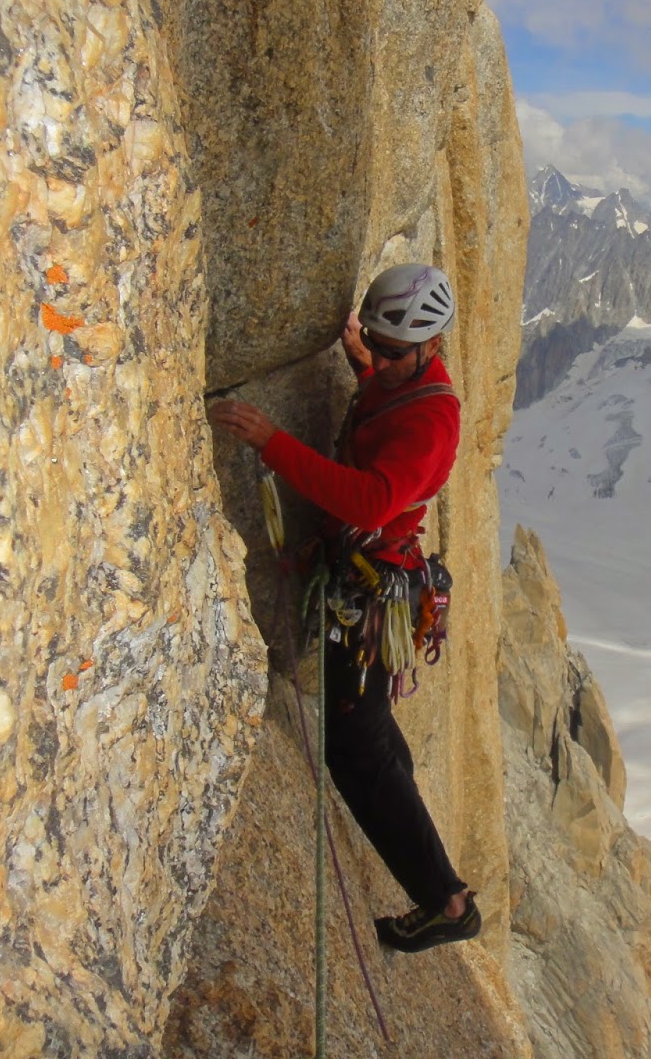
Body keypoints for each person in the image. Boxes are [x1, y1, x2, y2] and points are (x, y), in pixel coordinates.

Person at [208, 263, 481, 953]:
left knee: (353, 750)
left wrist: (272, 441)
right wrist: (367, 368)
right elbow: (385, 416)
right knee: (368, 731)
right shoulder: (402, 384)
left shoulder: (432, 419)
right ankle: (417, 831)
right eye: (378, 346)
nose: (383, 360)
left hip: (370, 591)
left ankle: (446, 901)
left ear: (430, 347)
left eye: (395, 353)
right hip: (364, 579)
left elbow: (370, 500)